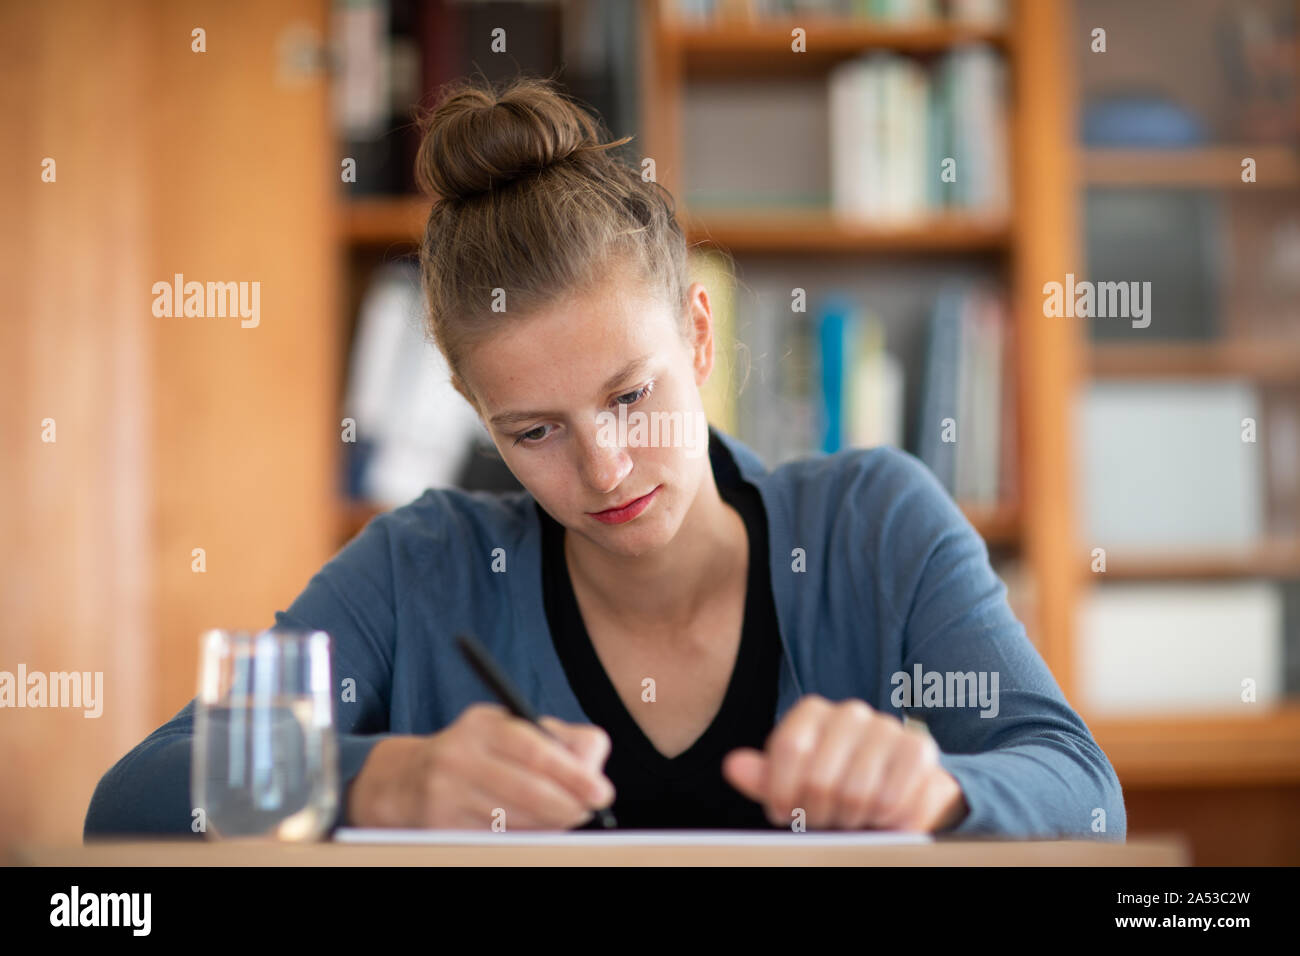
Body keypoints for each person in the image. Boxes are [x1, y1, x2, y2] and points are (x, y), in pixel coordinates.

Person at [85, 74, 1125, 839]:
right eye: (533, 431)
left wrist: (938, 790)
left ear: (701, 338)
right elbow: (129, 803)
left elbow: (1084, 795)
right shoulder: (420, 568)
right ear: (475, 412)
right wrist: (381, 781)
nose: (605, 466)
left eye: (632, 395)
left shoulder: (871, 524)